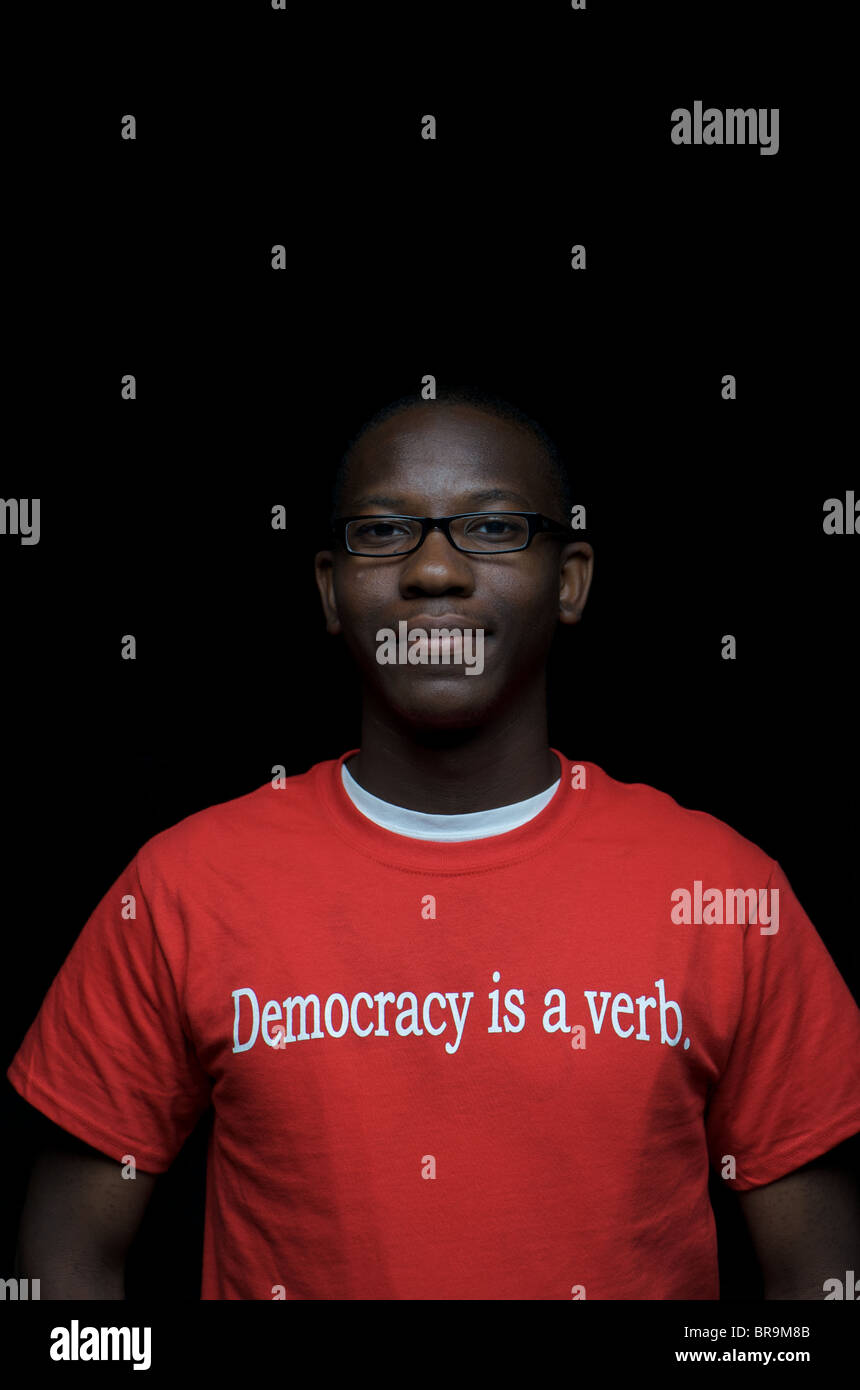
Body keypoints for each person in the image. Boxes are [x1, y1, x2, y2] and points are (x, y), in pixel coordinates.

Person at [8, 389, 860, 1299]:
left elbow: (821, 1280)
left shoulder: (724, 890)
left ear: (570, 579)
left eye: (492, 529)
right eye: (383, 534)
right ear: (331, 590)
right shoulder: (184, 884)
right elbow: (66, 1263)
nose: (435, 572)